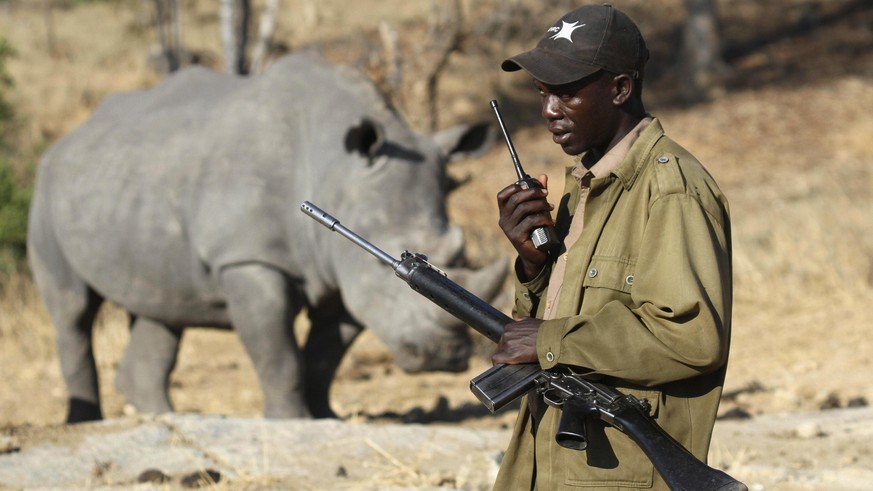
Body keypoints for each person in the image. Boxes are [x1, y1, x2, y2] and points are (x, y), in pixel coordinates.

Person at [491, 4, 733, 490]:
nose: (548, 111)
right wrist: (531, 267)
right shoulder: (579, 188)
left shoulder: (671, 190)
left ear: (621, 89)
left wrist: (550, 341)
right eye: (542, 93)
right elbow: (536, 334)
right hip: (548, 467)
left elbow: (690, 338)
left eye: (565, 93)